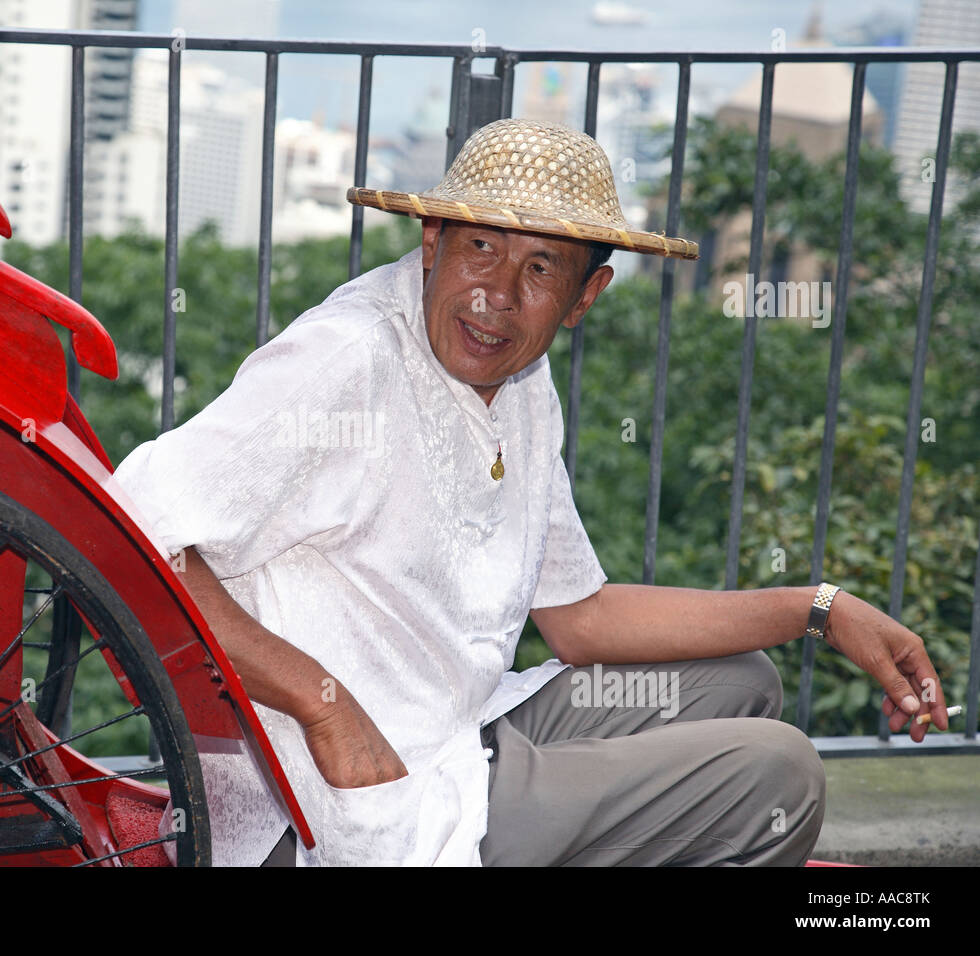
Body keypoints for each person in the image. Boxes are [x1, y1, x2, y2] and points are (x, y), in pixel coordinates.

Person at [113, 118, 951, 866]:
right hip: (346, 797)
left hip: (457, 730)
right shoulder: (348, 358)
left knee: (744, 685)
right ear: (432, 239)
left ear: (587, 296)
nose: (497, 295)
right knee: (780, 774)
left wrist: (820, 608)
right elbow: (133, 534)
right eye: (481, 247)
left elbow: (579, 619)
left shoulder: (518, 380)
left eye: (541, 267)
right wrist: (322, 706)